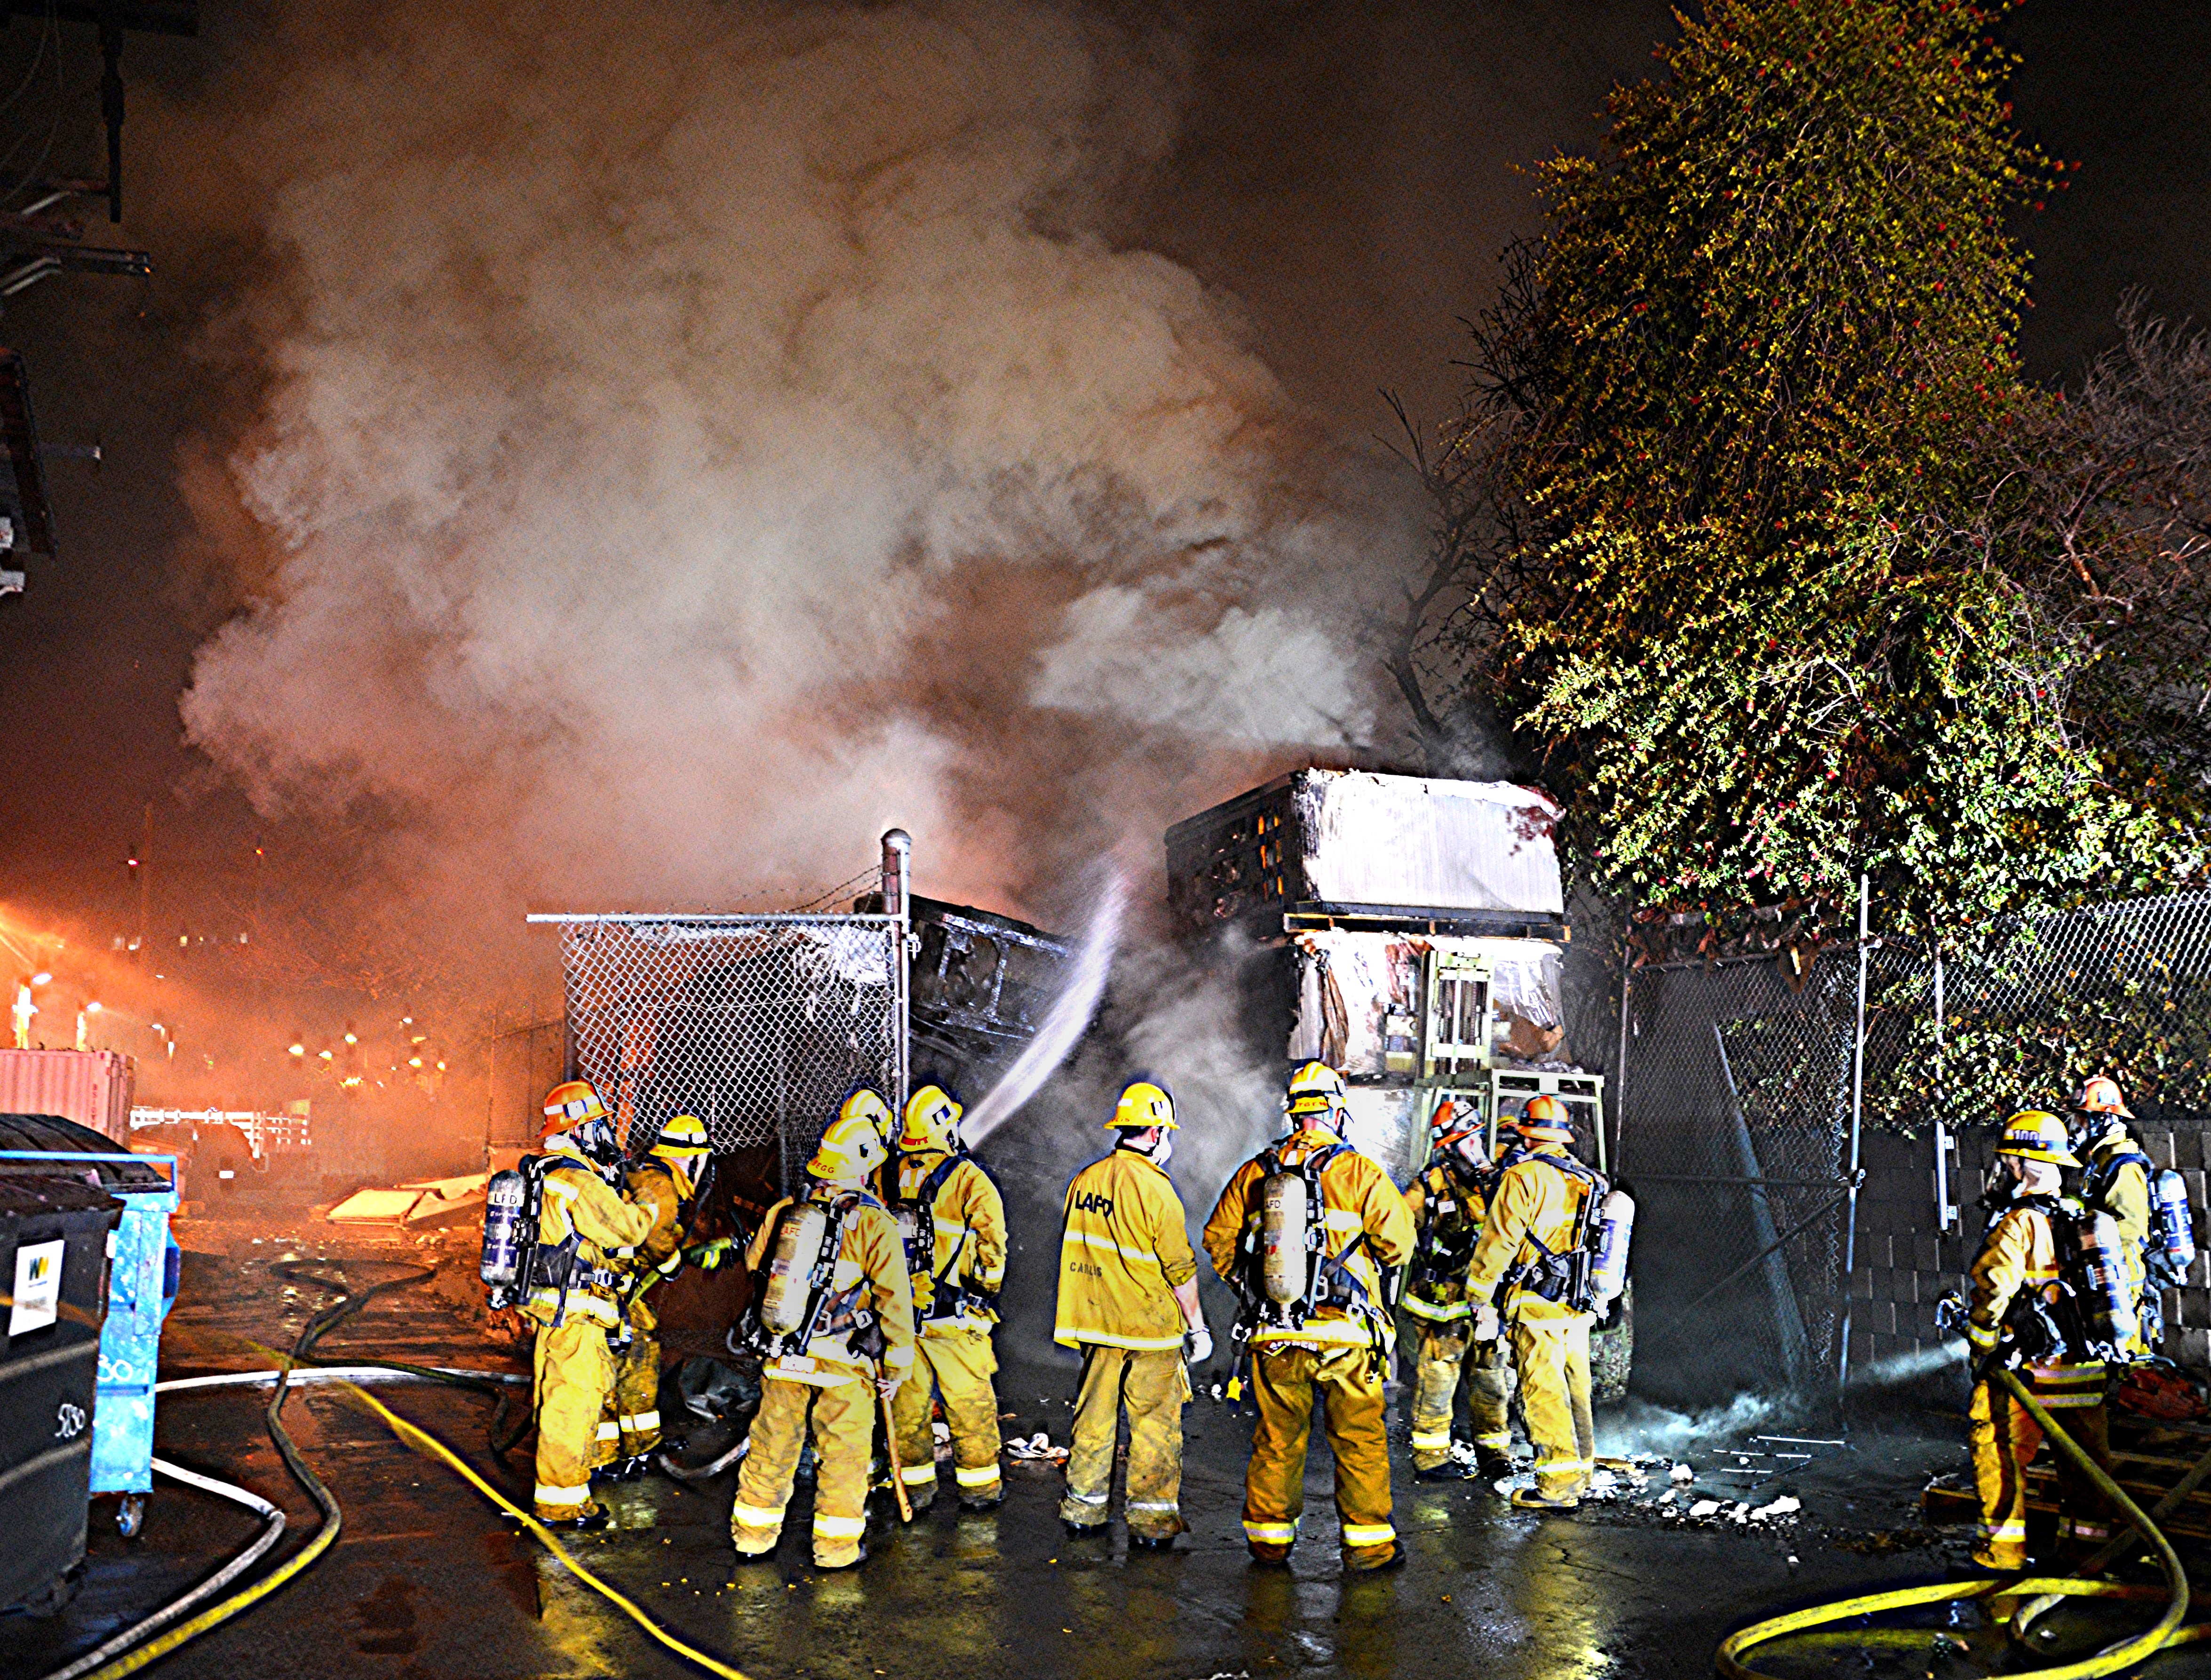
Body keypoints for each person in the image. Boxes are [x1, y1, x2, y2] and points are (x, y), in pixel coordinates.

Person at [1203, 1059, 1415, 1571]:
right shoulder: (1359, 1172)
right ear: (1336, 1112)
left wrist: (1250, 1287)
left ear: (1293, 1114)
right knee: (1358, 1438)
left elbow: (1217, 1239)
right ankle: (1369, 1551)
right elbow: (1400, 1245)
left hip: (1275, 1330)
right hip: (1345, 1334)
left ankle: (1269, 1543)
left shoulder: (1257, 1172)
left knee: (1277, 1438)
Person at [730, 1108, 916, 1570]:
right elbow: (895, 1301)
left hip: (785, 1351)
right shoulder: (876, 1224)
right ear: (865, 1165)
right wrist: (898, 1364)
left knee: (773, 1442)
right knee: (844, 1453)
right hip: (842, 1363)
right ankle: (835, 1550)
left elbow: (757, 1267)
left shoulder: (788, 1210)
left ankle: (752, 1536)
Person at [1053, 1079, 1209, 1549]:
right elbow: (1180, 1269)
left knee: (1094, 1420)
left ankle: (1083, 1510)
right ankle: (1152, 1522)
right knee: (1154, 1426)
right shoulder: (1156, 1189)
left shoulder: (1084, 1181)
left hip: (1096, 1325)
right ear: (1157, 1133)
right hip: (1149, 1331)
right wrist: (1197, 1328)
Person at [1962, 1110, 2115, 1570]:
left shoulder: (2018, 1223)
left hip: (2027, 1372)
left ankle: (2002, 1551)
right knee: (2084, 1464)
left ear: (2017, 1164)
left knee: (1995, 1444)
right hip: (2084, 1366)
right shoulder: (2083, 1218)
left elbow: (1992, 1290)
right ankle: (2088, 1552)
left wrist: (1982, 1346)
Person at [1465, 1094, 1605, 1512]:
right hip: (1576, 1305)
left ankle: (1559, 1486)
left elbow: (1500, 1241)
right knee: (1576, 1386)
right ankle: (1582, 1470)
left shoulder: (1524, 1177)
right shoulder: (1588, 1178)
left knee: (1542, 1389)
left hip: (1536, 1302)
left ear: (1526, 1133)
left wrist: (1478, 1293)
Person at [524, 1080, 654, 1528]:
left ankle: (571, 1480)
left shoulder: (541, 1174)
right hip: (578, 1315)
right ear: (582, 1130)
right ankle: (561, 1503)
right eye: (598, 1125)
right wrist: (646, 1204)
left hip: (549, 1312)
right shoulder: (579, 1182)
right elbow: (628, 1231)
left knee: (554, 1396)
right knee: (572, 1403)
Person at [888, 1083, 1008, 1513]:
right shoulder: (968, 1178)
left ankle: (916, 1491)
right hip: (954, 1317)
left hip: (902, 1316)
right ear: (943, 1126)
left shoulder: (891, 1173)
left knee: (908, 1408)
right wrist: (986, 1289)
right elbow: (993, 1244)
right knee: (970, 1406)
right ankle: (979, 1492)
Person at [1401, 1104, 1515, 1481]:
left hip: (1485, 1305)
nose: (1475, 1148)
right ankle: (1431, 1456)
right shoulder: (1429, 1185)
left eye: (1476, 1138)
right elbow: (1402, 1232)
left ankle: (1494, 1452)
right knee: (1438, 1376)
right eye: (1465, 1141)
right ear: (1448, 1147)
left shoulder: (1496, 1181)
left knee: (1491, 1377)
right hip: (1441, 1302)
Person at [597, 1113, 713, 1478]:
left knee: (635, 1353)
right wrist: (673, 1263)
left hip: (618, 1285)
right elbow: (656, 1237)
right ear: (691, 1158)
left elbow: (669, 1230)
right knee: (638, 1352)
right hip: (616, 1288)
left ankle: (636, 1446)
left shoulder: (647, 1174)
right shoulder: (663, 1186)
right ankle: (617, 1451)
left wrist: (700, 1248)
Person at [2072, 1075, 2153, 1360]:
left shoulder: (2123, 1164)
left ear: (2104, 1118)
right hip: (2106, 1284)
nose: (2077, 1126)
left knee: (2126, 1369)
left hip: (2121, 1289)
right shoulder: (2101, 1160)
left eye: (2083, 1118)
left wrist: (2118, 1300)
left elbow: (2130, 1238)